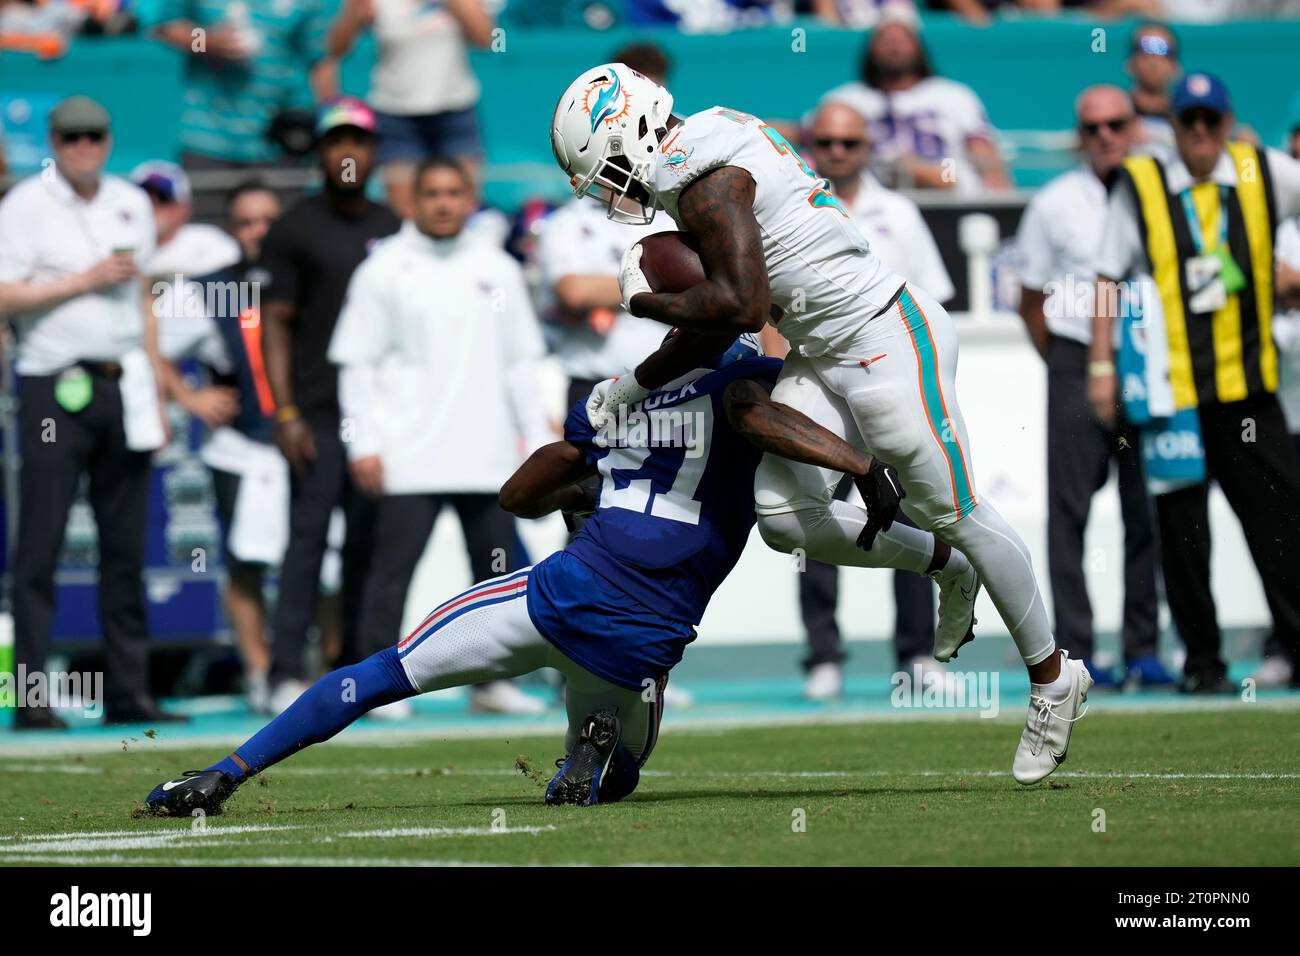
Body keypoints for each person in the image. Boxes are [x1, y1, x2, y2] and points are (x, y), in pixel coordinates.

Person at [554, 63, 1088, 785]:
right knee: (783, 513)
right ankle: (945, 563)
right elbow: (725, 321)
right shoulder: (707, 141)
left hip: (886, 336)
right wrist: (626, 387)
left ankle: (1054, 679)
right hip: (823, 349)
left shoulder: (702, 177)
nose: (615, 190)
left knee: (955, 507)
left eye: (610, 169)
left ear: (636, 131)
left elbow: (741, 309)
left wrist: (648, 304)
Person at [143, 335, 907, 814]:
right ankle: (592, 748)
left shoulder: (616, 396)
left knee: (378, 675)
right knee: (624, 774)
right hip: (645, 636)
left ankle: (225, 773)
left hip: (562, 596)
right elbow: (759, 416)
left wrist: (584, 479)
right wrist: (861, 464)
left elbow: (518, 494)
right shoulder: (754, 379)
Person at [1090, 73, 1300, 692]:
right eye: (1190, 121)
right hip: (1172, 393)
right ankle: (1202, 664)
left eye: (1212, 119)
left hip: (1249, 389)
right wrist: (1102, 367)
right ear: (1173, 126)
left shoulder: (1263, 171)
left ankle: (1295, 646)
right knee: (1183, 536)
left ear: (1228, 120)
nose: (1202, 131)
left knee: (1281, 523)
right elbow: (1107, 276)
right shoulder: (1144, 183)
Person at [328, 158, 553, 718]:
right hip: (408, 457)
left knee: (499, 579)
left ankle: (493, 682)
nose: (444, 202)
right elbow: (355, 365)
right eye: (433, 193)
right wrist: (363, 444)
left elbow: (521, 361)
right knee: (390, 576)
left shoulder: (496, 268)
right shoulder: (384, 270)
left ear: (470, 197)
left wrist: (535, 436)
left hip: (489, 454)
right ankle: (372, 690)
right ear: (414, 200)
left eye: (454, 192)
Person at [0, 96, 179, 728]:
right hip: (53, 383)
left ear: (107, 140)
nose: (82, 146)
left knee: (125, 546)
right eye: (70, 136)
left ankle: (129, 692)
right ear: (53, 140)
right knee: (39, 544)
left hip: (122, 381)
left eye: (93, 135)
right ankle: (29, 697)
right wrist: (81, 279)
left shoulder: (129, 199)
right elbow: (3, 293)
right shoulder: (24, 205)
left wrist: (156, 391)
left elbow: (144, 301)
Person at [797, 100, 956, 699]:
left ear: (867, 147)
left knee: (912, 512)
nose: (838, 153)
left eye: (850, 143)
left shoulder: (900, 214)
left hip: (890, 383)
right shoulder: (794, 214)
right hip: (820, 385)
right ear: (813, 146)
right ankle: (823, 654)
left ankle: (917, 653)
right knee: (811, 513)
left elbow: (933, 302)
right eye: (828, 142)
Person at [1014, 86, 1168, 689]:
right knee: (1069, 511)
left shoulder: (1160, 193)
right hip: (1076, 357)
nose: (1105, 135)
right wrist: (1065, 363)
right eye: (1093, 126)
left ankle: (1144, 648)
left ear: (1134, 126)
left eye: (1116, 123)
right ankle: (1075, 649)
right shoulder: (1054, 203)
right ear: (1080, 135)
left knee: (1147, 507)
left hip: (1151, 358)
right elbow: (1029, 298)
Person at [259, 96, 401, 713]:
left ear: (373, 152)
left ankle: (355, 674)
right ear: (320, 151)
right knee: (306, 543)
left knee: (372, 546)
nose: (348, 153)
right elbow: (275, 326)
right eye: (336, 142)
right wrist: (284, 412)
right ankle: (284, 670)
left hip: (378, 414)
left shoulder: (397, 228)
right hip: (316, 414)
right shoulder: (293, 228)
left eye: (359, 142)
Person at [155, 181, 286, 714]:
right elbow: (152, 346)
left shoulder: (307, 279)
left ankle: (326, 670)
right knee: (246, 560)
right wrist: (191, 395)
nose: (259, 232)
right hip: (243, 446)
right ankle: (258, 671)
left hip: (308, 442)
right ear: (232, 231)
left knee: (323, 561)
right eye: (247, 222)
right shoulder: (210, 289)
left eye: (268, 221)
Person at [321, 0, 493, 220]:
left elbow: (488, 39)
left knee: (466, 207)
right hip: (396, 116)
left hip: (455, 111)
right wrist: (353, 14)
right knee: (406, 214)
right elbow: (336, 48)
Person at [816, 6, 1009, 194]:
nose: (894, 47)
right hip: (870, 201)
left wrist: (1000, 197)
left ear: (918, 46)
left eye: (901, 40)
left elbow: (986, 160)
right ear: (870, 48)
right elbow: (807, 136)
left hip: (949, 197)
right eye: (885, 40)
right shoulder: (846, 99)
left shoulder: (954, 96)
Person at [151, 0, 334, 170]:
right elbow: (166, 27)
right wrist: (206, 42)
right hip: (207, 139)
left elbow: (320, 60)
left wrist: (329, 134)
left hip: (279, 140)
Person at [1125, 22, 1181, 157]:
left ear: (1176, 66)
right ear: (1130, 63)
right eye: (1145, 50)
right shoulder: (1112, 118)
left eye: (1163, 51)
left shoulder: (1190, 117)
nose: (1154, 61)